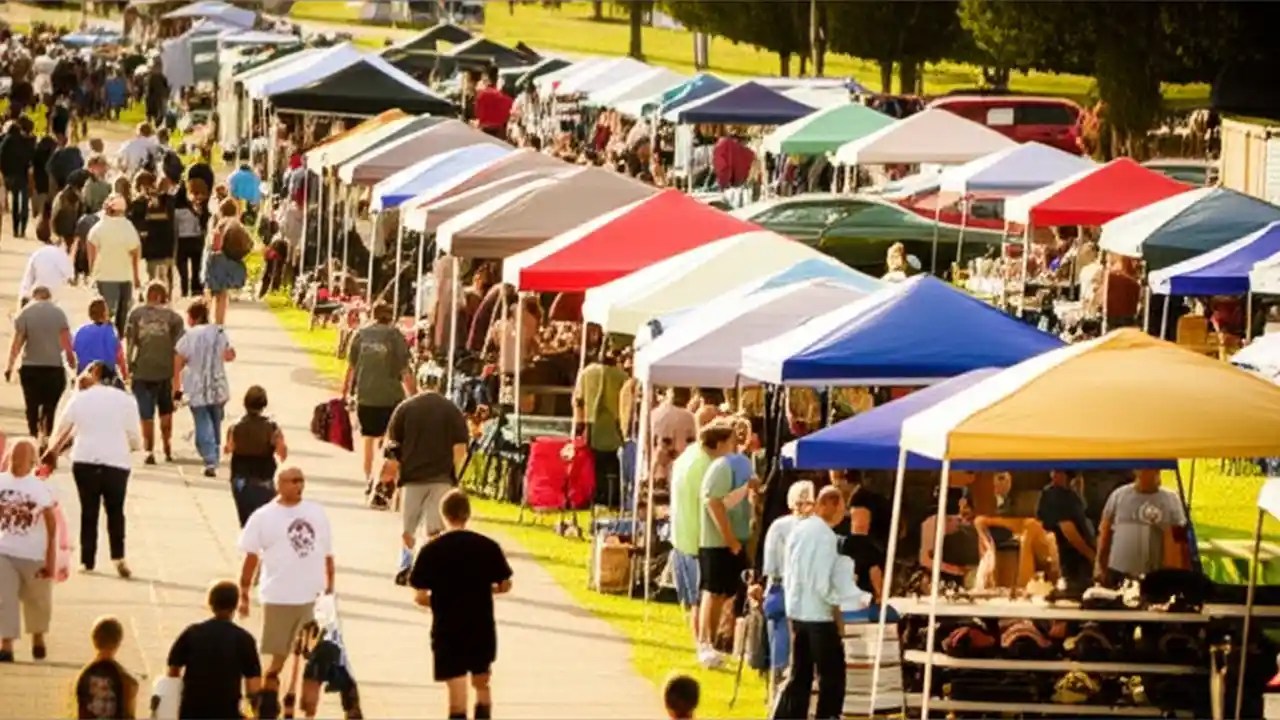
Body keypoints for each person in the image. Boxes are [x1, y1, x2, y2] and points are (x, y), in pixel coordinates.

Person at [237, 466, 334, 720]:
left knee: (312, 661)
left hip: (311, 597)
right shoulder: (263, 516)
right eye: (293, 481)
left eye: (302, 480)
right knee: (276, 661)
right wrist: (244, 592)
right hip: (278, 597)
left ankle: (300, 708)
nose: (299, 486)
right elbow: (251, 556)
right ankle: (266, 706)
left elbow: (327, 553)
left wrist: (329, 590)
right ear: (278, 483)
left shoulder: (316, 512)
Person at [408, 489, 512, 720]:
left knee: (457, 693)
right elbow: (505, 584)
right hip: (481, 626)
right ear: (468, 514)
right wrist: (487, 589)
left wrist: (442, 599)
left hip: (447, 628)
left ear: (443, 514)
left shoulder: (431, 550)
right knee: (482, 683)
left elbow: (419, 595)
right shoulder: (488, 546)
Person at [46, 361, 142, 577]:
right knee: (115, 510)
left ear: (95, 373)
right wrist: (132, 447)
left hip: (85, 458)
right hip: (116, 461)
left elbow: (62, 427)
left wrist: (52, 451)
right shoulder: (126, 400)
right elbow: (135, 436)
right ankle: (118, 556)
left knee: (89, 510)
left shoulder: (80, 398)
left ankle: (87, 560)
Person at [382, 372, 469, 582]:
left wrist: (389, 477)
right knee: (434, 529)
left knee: (408, 528)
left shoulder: (404, 408)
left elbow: (393, 448)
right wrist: (452, 471)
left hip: (412, 478)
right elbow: (460, 449)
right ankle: (430, 567)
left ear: (420, 383)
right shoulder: (452, 411)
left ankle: (405, 565)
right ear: (440, 384)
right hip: (441, 479)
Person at [770, 486, 847, 720]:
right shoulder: (826, 537)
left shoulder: (798, 530)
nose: (843, 514)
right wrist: (837, 615)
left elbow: (789, 571)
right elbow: (825, 582)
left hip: (798, 611)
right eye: (842, 507)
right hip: (819, 614)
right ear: (830, 505)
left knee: (800, 673)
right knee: (832, 676)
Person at [669, 422, 729, 667]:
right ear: (719, 443)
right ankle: (706, 646)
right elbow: (713, 503)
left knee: (697, 599)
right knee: (707, 596)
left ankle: (702, 646)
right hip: (699, 539)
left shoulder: (688, 455)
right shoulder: (708, 467)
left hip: (682, 535)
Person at [342, 301, 415, 497]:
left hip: (366, 395)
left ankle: (369, 478)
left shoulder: (361, 334)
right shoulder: (395, 337)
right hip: (390, 397)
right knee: (388, 441)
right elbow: (404, 370)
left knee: (367, 440)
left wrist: (345, 392)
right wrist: (414, 395)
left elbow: (351, 367)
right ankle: (385, 479)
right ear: (390, 316)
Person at [697, 419, 756, 659]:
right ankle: (705, 642)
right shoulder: (721, 467)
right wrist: (730, 539)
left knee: (726, 592)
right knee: (714, 592)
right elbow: (714, 503)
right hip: (717, 541)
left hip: (733, 538)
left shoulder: (738, 464)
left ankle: (718, 640)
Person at [166, 580, 262, 720]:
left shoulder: (192, 633)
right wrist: (250, 715)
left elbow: (173, 672)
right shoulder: (244, 639)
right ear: (235, 606)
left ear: (210, 603)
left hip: (191, 711)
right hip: (227, 713)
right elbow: (253, 689)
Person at [0, 438, 56, 663]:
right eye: (14, 457)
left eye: (22, 458)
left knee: (37, 600)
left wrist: (50, 558)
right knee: (4, 597)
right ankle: (6, 644)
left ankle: (38, 636)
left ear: (32, 461)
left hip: (33, 554)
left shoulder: (40, 488)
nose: (17, 462)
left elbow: (52, 525)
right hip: (3, 550)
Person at [759, 480, 815, 697]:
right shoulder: (817, 528)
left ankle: (775, 692)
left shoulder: (778, 526)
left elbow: (770, 565)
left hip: (778, 588)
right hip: (804, 591)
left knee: (779, 642)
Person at [6, 285, 75, 447]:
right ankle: (46, 434)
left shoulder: (26, 313)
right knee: (50, 405)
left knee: (31, 404)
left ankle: (34, 435)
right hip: (54, 367)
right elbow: (66, 341)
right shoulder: (59, 314)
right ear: (49, 297)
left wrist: (9, 366)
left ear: (34, 296)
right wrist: (72, 361)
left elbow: (17, 342)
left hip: (31, 367)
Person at [125, 281, 184, 465]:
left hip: (142, 372)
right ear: (162, 297)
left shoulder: (135, 315)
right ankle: (167, 448)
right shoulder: (174, 318)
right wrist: (178, 376)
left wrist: (129, 367)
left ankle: (149, 450)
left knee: (146, 415)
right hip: (165, 373)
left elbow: (130, 343)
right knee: (166, 413)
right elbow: (179, 349)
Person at [1095, 469, 1189, 585]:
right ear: (1136, 472)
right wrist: (1100, 566)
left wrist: (1179, 576)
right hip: (1119, 573)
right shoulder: (1118, 496)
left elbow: (1180, 541)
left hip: (1154, 576)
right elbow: (1105, 533)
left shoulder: (1171, 499)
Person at [174, 298, 235, 477]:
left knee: (202, 422)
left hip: (196, 387)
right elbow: (229, 355)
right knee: (215, 422)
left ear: (193, 318)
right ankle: (214, 453)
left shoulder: (189, 336)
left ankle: (210, 459)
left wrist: (176, 389)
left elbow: (178, 361)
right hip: (218, 386)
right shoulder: (219, 332)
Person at [224, 386, 288, 528]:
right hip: (264, 479)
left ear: (245, 403)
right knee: (264, 523)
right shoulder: (272, 428)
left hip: (241, 480)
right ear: (264, 405)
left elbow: (229, 448)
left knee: (247, 524)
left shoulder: (235, 427)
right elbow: (282, 453)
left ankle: (250, 549)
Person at [574, 346, 628, 507]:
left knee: (595, 461)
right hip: (614, 424)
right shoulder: (621, 375)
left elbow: (578, 399)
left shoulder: (586, 373)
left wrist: (579, 423)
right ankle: (613, 496)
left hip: (593, 422)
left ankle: (599, 495)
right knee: (613, 462)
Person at [86, 193, 142, 337]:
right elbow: (135, 251)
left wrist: (92, 269)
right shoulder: (128, 226)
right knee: (123, 315)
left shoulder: (100, 226)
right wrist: (136, 276)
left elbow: (91, 244)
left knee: (105, 314)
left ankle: (103, 341)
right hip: (125, 276)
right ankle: (118, 343)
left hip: (104, 276)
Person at [1036, 470, 1096, 592]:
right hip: (1070, 563)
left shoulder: (1071, 495)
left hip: (1078, 562)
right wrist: (1092, 556)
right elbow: (1068, 529)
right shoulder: (1055, 495)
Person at [73, 616, 139, 719]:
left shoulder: (83, 675)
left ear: (94, 641)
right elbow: (129, 714)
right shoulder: (126, 679)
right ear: (117, 643)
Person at [206, 198, 250, 326]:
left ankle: (208, 318)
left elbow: (215, 244)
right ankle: (220, 322)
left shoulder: (220, 223)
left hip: (218, 259)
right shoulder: (237, 224)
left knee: (212, 293)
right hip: (231, 259)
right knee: (223, 294)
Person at [73, 297, 128, 382]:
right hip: (106, 374)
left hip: (85, 374)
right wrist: (125, 375)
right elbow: (120, 356)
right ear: (105, 313)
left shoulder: (81, 331)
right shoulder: (110, 331)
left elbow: (75, 353)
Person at [173, 177, 210, 297]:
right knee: (196, 267)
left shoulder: (175, 209)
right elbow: (204, 224)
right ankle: (196, 289)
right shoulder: (200, 207)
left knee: (182, 269)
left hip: (181, 240)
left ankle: (184, 289)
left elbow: (174, 226)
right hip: (196, 239)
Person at [0, 120, 34, 238]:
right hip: (23, 175)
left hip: (10, 175)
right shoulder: (24, 141)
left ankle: (15, 229)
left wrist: (4, 173)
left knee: (14, 202)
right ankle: (22, 229)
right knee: (24, 202)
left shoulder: (5, 142)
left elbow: (1, 158)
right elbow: (29, 156)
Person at [473, 65, 513, 139]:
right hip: (499, 131)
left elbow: (478, 113)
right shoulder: (507, 99)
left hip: (485, 129)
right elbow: (508, 115)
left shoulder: (481, 95)